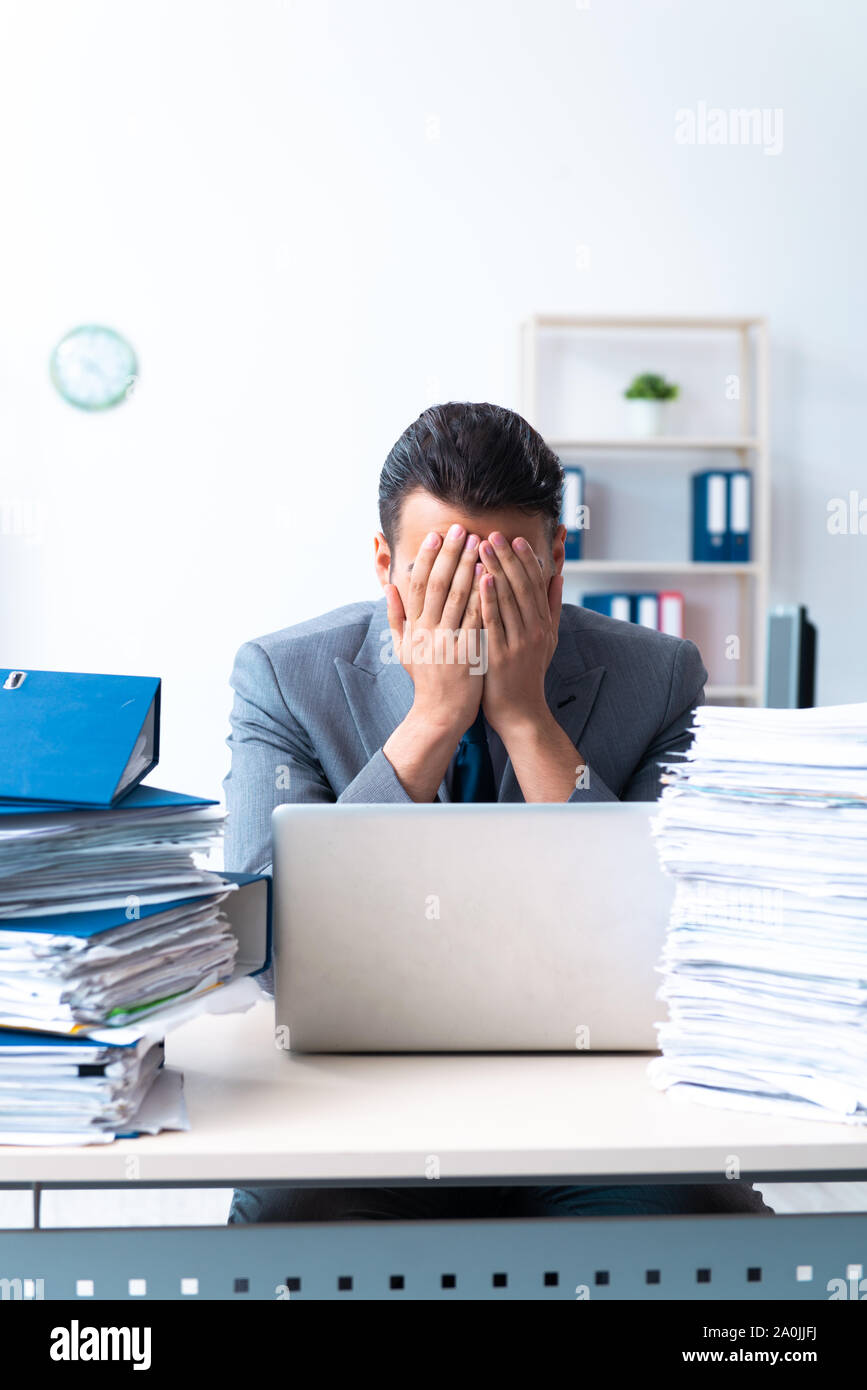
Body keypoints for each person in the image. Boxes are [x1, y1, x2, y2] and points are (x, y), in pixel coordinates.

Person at [223, 401, 772, 1223]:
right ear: (384, 564)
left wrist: (525, 718)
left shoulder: (657, 677)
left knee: (706, 1232)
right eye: (439, 572)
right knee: (285, 1234)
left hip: (599, 1102)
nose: (469, 607)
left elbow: (679, 935)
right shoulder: (284, 677)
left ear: (554, 568)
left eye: (500, 576)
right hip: (356, 1103)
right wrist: (432, 719)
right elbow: (259, 948)